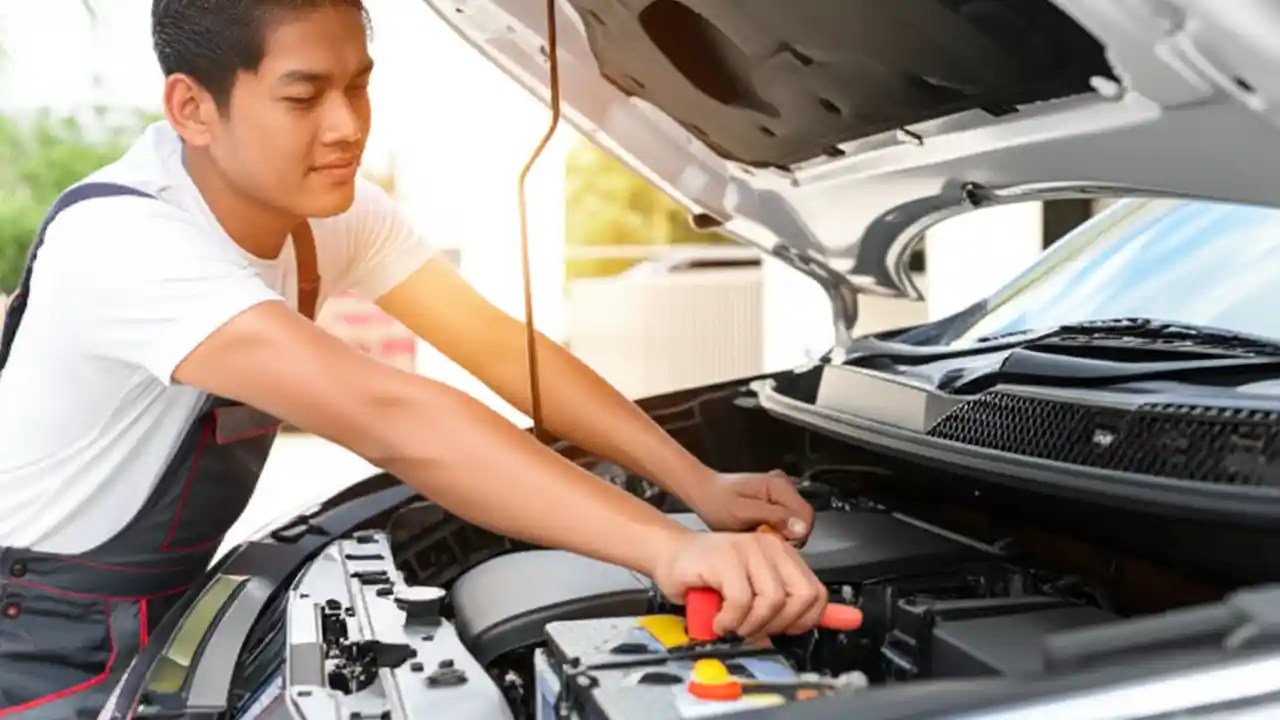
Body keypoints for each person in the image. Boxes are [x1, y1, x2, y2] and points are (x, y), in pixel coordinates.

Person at [0, 1, 827, 715]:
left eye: (358, 83)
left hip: (156, 616)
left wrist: (697, 486)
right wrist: (667, 549)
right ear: (192, 109)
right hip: (32, 649)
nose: (348, 125)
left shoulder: (331, 213)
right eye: (304, 95)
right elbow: (394, 417)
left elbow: (507, 350)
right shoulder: (122, 242)